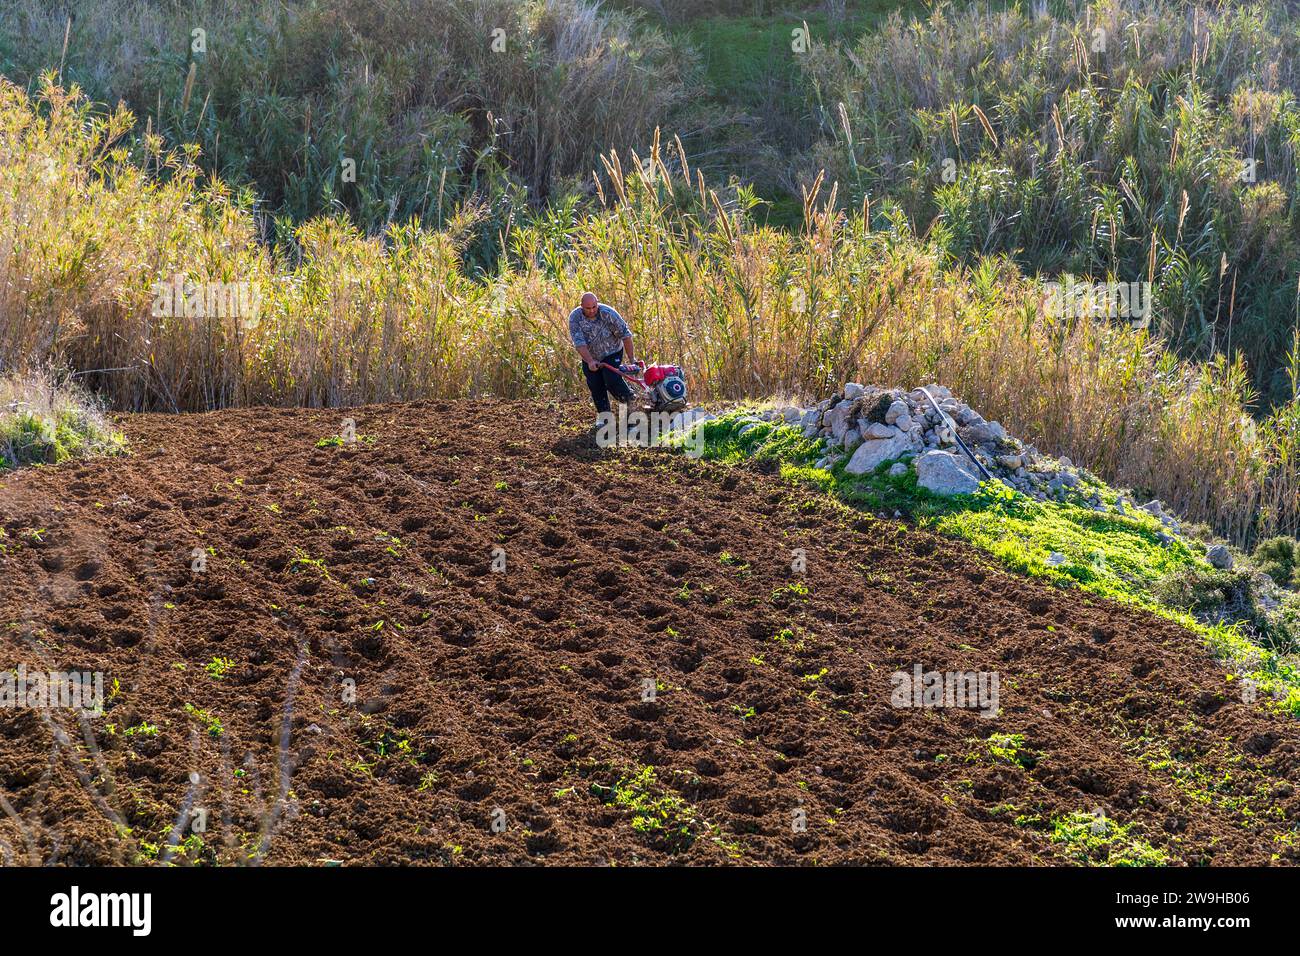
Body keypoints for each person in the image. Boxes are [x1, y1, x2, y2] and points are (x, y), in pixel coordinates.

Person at [568, 292, 637, 423]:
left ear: (597, 303)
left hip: (612, 351)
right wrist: (589, 361)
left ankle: (630, 403)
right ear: (581, 306)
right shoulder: (575, 317)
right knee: (595, 383)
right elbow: (579, 342)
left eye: (594, 306)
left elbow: (626, 335)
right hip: (590, 355)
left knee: (611, 379)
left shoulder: (608, 313)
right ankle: (604, 417)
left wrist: (632, 359)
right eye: (588, 308)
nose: (592, 310)